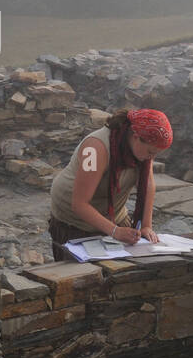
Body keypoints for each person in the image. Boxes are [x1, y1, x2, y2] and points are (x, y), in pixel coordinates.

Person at [47, 108, 173, 261]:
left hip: (114, 214)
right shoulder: (93, 149)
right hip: (74, 220)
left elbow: (147, 184)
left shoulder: (143, 150)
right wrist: (114, 231)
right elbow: (79, 204)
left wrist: (146, 225)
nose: (151, 158)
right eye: (151, 152)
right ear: (136, 137)